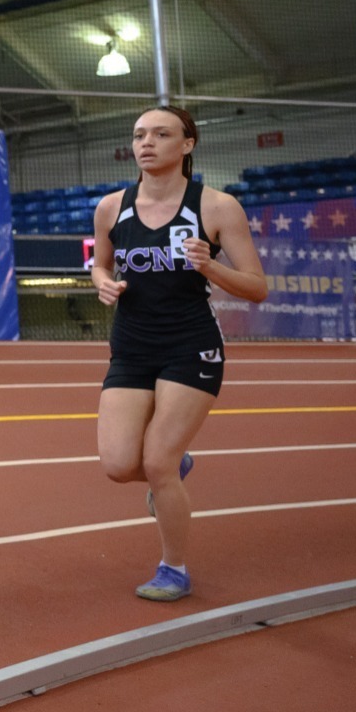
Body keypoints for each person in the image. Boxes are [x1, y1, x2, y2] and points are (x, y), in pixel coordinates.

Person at [89, 105, 265, 602]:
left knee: (157, 462)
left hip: (191, 345)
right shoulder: (111, 207)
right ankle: (174, 463)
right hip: (131, 346)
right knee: (119, 464)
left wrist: (211, 268)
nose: (146, 143)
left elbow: (256, 287)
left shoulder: (216, 207)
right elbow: (100, 266)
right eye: (140, 134)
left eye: (161, 134)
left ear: (186, 145)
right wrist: (104, 284)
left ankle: (174, 568)